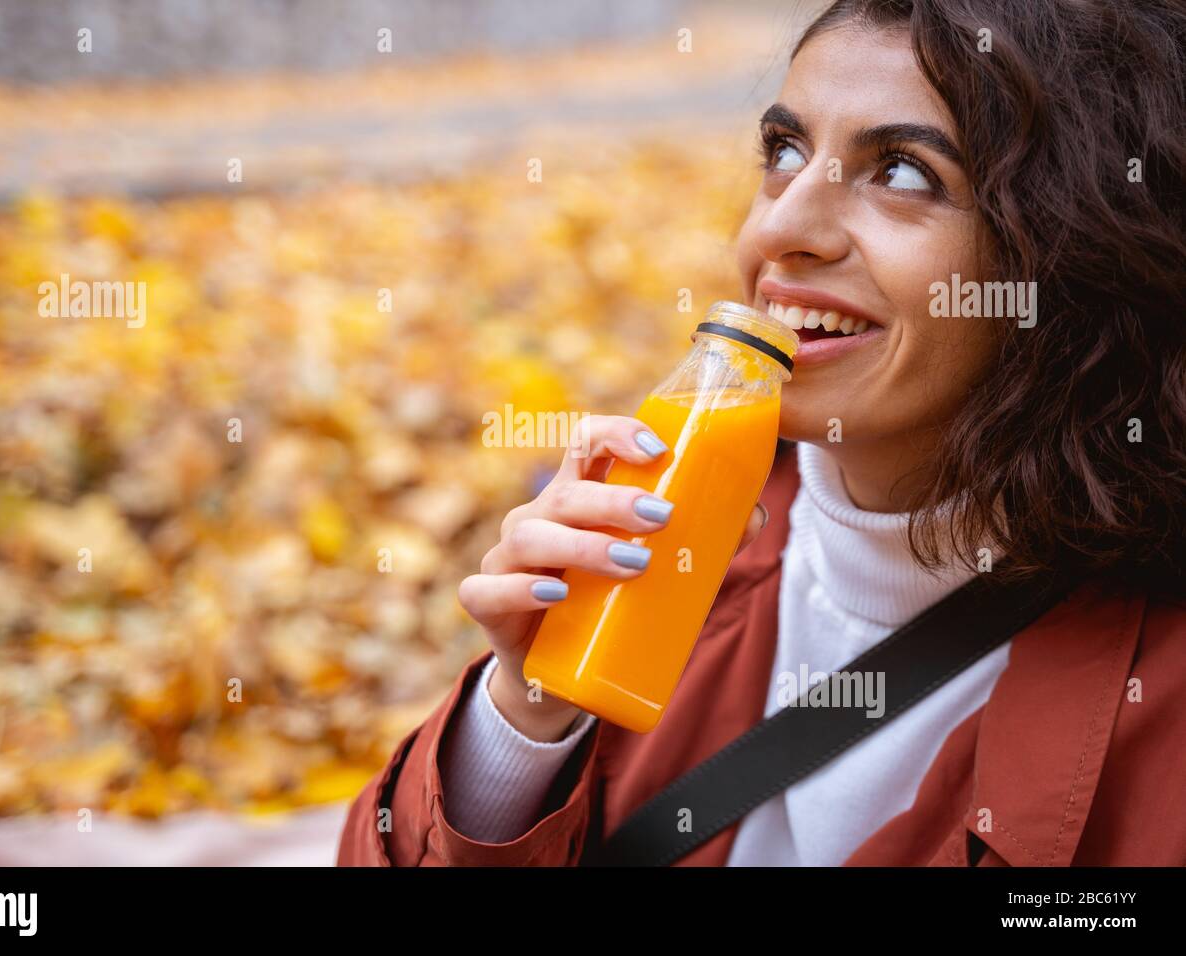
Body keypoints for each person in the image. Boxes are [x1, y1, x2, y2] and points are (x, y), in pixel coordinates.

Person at [339, 0, 1186, 866]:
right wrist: (516, 727)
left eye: (901, 173)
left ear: (1079, 250)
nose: (778, 230)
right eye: (784, 153)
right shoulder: (664, 531)